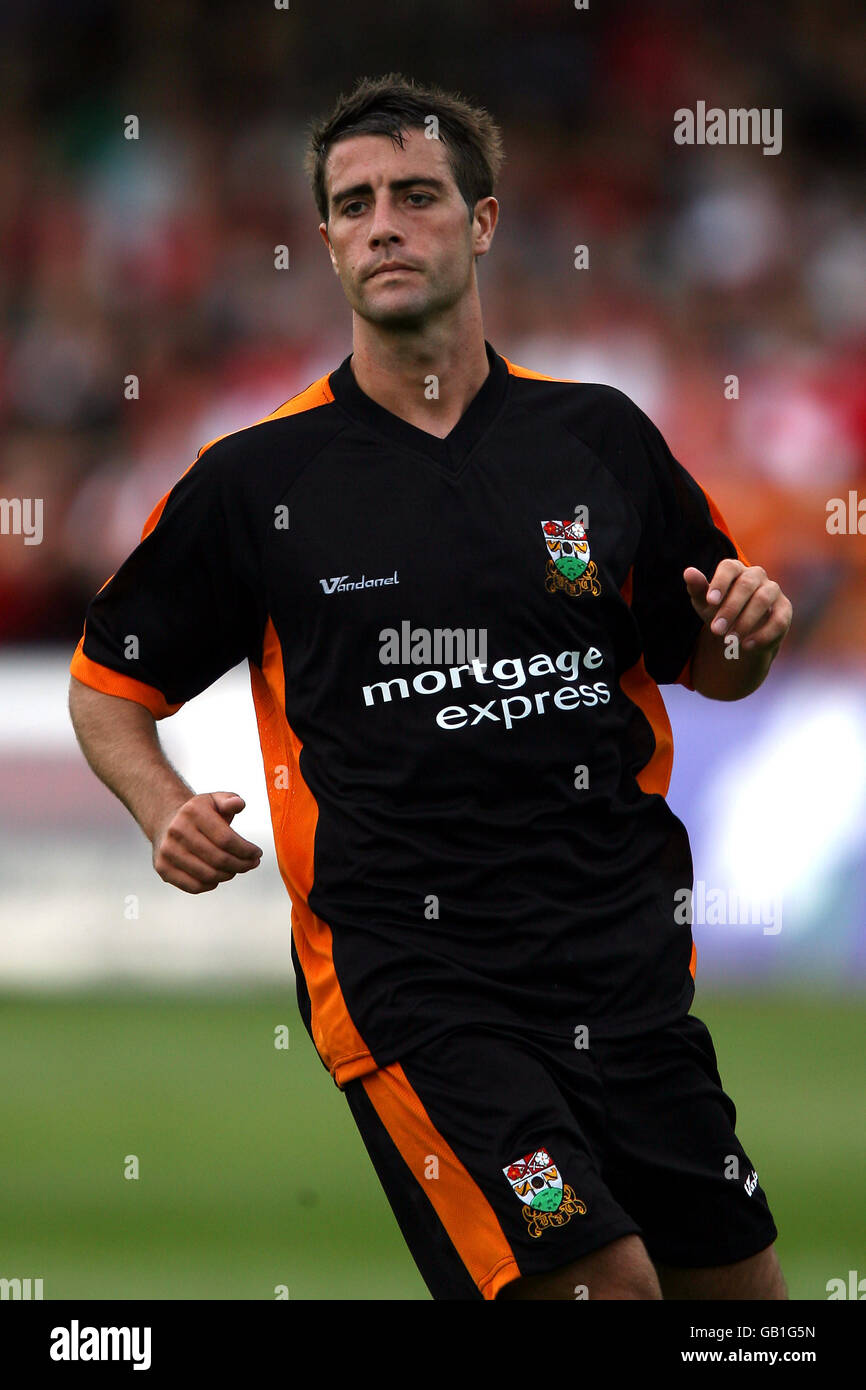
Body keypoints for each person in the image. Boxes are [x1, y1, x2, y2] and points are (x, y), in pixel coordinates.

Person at [68, 73, 792, 1301]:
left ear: (485, 222)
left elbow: (709, 661)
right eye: (353, 205)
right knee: (604, 1288)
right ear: (326, 243)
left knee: (745, 1313)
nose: (383, 224)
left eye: (415, 195)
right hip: (420, 986)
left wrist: (754, 638)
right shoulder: (259, 477)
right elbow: (106, 687)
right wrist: (160, 808)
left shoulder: (600, 437)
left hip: (623, 970)